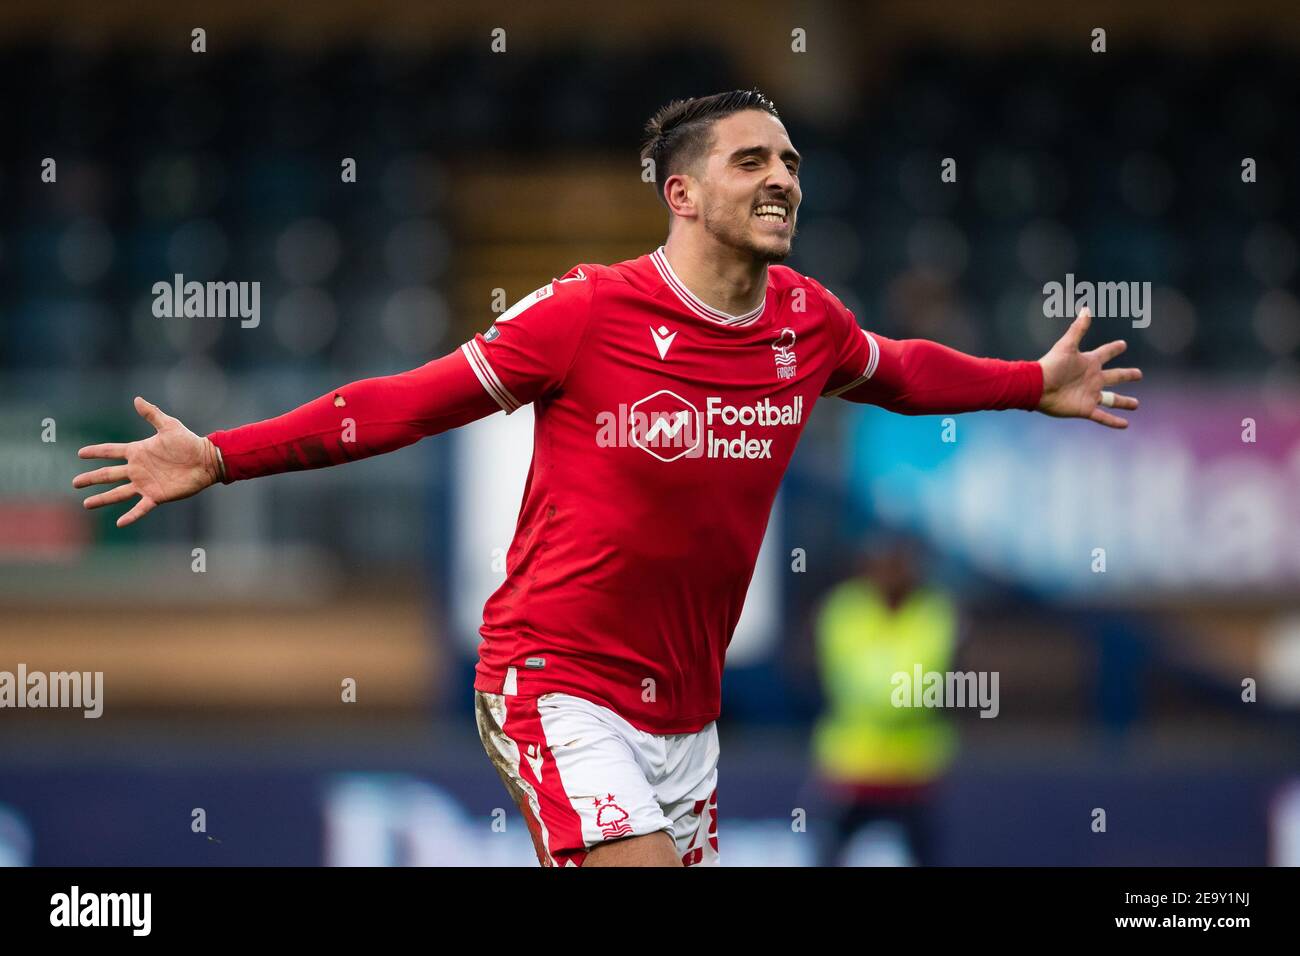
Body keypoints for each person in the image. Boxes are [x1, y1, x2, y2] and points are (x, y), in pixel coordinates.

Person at [73, 89, 1141, 867]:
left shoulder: (807, 321)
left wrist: (1027, 380)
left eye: (792, 162)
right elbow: (404, 401)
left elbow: (899, 369)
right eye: (752, 160)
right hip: (554, 678)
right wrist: (221, 454)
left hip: (688, 715)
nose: (782, 177)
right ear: (680, 190)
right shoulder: (586, 311)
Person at [812, 535, 958, 866]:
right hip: (851, 768)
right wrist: (893, 685)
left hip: (915, 770)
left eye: (897, 563)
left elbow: (919, 689)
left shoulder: (934, 613)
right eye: (881, 562)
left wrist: (883, 685)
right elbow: (852, 683)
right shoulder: (843, 609)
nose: (889, 572)